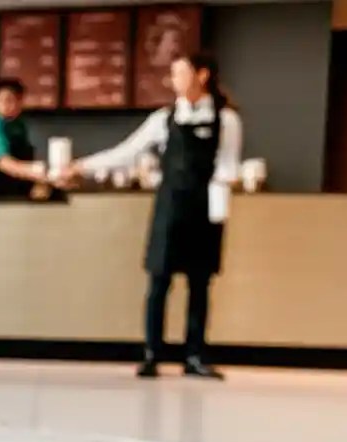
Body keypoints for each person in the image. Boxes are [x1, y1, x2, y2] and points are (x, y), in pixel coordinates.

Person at [62, 53, 242, 380]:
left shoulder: (227, 120)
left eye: (179, 73)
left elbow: (228, 167)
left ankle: (194, 356)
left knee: (200, 284)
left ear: (202, 75)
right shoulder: (164, 118)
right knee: (159, 281)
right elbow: (126, 152)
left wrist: (219, 210)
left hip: (205, 208)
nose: (173, 80)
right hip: (169, 205)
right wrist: (82, 166)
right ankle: (152, 354)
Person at [0, 80, 47, 199]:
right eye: (5, 100)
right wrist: (35, 172)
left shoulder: (19, 126)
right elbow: (4, 163)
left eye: (16, 100)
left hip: (15, 191)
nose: (10, 105)